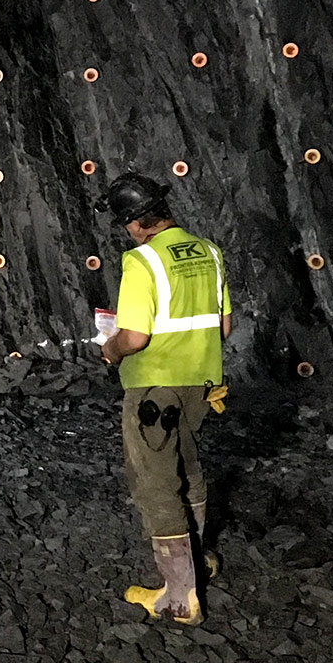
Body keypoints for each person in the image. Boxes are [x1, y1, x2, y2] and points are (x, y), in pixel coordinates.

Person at [97, 172, 230, 624]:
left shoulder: (142, 261)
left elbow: (134, 337)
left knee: (156, 484)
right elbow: (224, 327)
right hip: (201, 385)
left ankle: (178, 597)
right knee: (189, 470)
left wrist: (109, 350)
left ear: (135, 223)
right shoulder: (210, 252)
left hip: (156, 388)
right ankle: (199, 561)